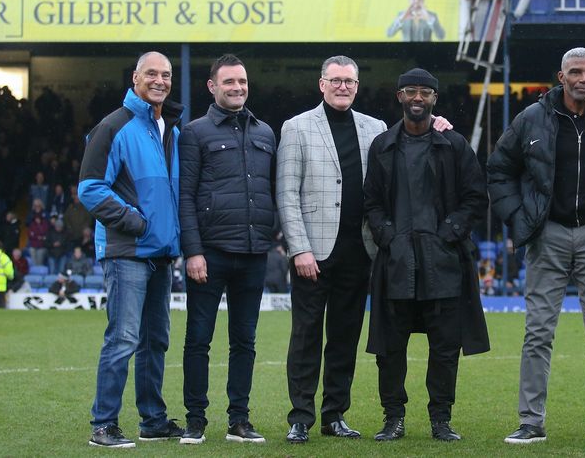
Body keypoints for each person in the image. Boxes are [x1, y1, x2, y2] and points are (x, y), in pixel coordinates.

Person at [487, 47, 585, 445]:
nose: (584, 78)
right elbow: (499, 168)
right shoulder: (531, 118)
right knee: (538, 331)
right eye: (576, 72)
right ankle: (530, 421)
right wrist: (520, 217)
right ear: (561, 77)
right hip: (548, 233)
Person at [363, 67, 489, 442]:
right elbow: (371, 202)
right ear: (399, 96)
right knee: (390, 348)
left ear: (435, 99)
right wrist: (388, 237)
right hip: (397, 262)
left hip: (444, 263)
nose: (418, 98)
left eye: (425, 93)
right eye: (411, 92)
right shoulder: (382, 145)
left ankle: (441, 420)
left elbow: (475, 198)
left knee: (445, 347)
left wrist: (448, 234)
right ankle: (393, 418)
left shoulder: (454, 145)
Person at [276, 55, 388, 443]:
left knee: (345, 337)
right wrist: (299, 249)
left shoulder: (376, 129)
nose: (343, 87)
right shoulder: (296, 127)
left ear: (357, 86)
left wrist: (439, 124)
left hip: (359, 252)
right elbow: (286, 194)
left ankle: (334, 414)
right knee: (305, 336)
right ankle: (300, 417)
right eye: (336, 80)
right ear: (321, 83)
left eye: (350, 82)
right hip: (313, 253)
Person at [79, 51, 185, 448]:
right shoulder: (113, 126)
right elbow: (89, 189)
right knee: (123, 338)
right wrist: (136, 222)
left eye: (166, 75)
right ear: (135, 77)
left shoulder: (170, 129)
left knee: (155, 340)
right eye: (152, 74)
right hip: (127, 251)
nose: (160, 80)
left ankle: (152, 420)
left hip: (161, 254)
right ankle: (103, 424)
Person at [177, 54, 276, 445]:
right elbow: (185, 196)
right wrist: (193, 251)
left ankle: (239, 419)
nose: (237, 88)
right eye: (229, 82)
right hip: (210, 253)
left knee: (245, 341)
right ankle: (195, 420)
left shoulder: (266, 132)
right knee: (198, 338)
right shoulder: (194, 133)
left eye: (243, 81)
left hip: (254, 253)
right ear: (212, 87)